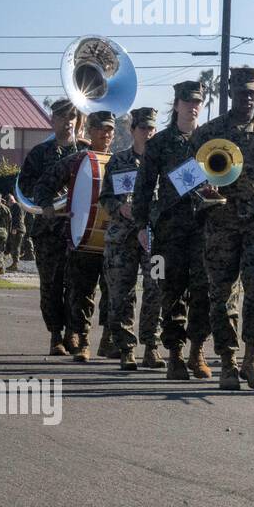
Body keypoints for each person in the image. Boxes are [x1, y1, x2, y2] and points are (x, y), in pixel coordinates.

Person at [190, 66, 254, 391]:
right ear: (231, 93)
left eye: (252, 92)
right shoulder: (208, 133)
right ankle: (227, 361)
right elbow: (185, 177)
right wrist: (201, 192)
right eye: (241, 92)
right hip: (220, 222)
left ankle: (253, 358)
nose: (247, 98)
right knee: (221, 294)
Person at [135, 81, 213, 380]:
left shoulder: (210, 140)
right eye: (187, 101)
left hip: (204, 225)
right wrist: (141, 225)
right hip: (170, 227)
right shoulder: (159, 143)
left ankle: (197, 350)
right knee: (172, 290)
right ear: (176, 104)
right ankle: (175, 354)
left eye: (198, 101)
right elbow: (143, 187)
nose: (193, 106)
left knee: (204, 288)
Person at [36, 111, 115, 361]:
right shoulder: (77, 160)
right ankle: (80, 340)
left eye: (110, 129)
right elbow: (43, 185)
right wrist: (47, 207)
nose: (106, 133)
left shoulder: (119, 161)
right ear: (89, 131)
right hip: (82, 238)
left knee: (114, 292)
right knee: (81, 293)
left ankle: (108, 340)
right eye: (101, 128)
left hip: (113, 239)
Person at [100, 107, 165, 371]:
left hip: (155, 239)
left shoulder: (164, 162)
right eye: (143, 128)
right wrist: (119, 208)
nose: (148, 133)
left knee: (157, 291)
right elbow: (105, 198)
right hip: (123, 238)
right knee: (121, 293)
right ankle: (126, 348)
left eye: (151, 129)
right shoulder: (118, 161)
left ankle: (151, 346)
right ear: (132, 130)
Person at [18, 98, 83, 354]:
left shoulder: (86, 151)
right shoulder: (39, 153)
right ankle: (55, 334)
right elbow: (24, 186)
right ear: (52, 120)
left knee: (77, 285)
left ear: (77, 121)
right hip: (48, 230)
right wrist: (47, 199)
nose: (68, 123)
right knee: (51, 285)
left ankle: (74, 333)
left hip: (79, 228)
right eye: (62, 118)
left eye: (72, 118)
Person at [5, 194, 25, 270]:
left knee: (15, 247)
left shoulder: (16, 206)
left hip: (17, 229)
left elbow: (18, 218)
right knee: (14, 246)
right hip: (19, 229)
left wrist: (14, 228)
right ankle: (14, 263)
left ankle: (15, 264)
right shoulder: (16, 206)